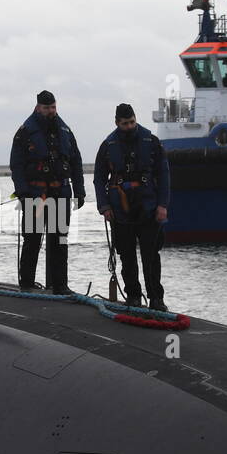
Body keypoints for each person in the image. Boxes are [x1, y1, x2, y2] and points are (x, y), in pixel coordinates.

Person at [94, 103, 171, 312]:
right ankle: (133, 297)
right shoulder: (108, 145)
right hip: (121, 210)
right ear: (117, 123)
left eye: (132, 122)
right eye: (125, 124)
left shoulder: (151, 142)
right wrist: (104, 206)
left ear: (135, 119)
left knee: (151, 256)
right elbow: (99, 178)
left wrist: (163, 205)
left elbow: (164, 175)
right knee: (127, 256)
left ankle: (156, 299)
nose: (129, 127)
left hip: (148, 207)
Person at [10, 90, 85, 295]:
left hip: (60, 191)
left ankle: (59, 284)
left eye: (53, 107)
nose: (50, 111)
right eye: (46, 108)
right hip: (35, 194)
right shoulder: (25, 131)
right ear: (37, 107)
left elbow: (76, 161)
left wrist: (79, 191)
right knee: (33, 239)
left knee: (59, 240)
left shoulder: (65, 130)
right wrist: (22, 192)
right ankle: (26, 283)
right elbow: (16, 164)